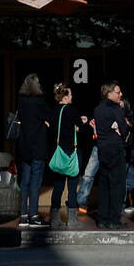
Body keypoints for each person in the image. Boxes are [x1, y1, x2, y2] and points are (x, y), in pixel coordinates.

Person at [14, 73, 52, 227]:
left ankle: (23, 215)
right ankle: (34, 215)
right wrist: (45, 124)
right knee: (36, 182)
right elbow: (50, 116)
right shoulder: (39, 102)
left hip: (24, 145)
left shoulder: (21, 101)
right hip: (37, 146)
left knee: (25, 180)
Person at [48, 82, 87, 228]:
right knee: (72, 187)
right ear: (64, 97)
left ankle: (54, 219)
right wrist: (82, 123)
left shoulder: (54, 111)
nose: (72, 97)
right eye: (70, 94)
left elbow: (53, 130)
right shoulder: (71, 110)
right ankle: (72, 220)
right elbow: (81, 130)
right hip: (71, 153)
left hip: (58, 154)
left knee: (57, 186)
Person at [93, 81, 130, 229]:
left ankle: (102, 218)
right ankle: (114, 219)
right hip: (115, 149)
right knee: (117, 185)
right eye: (118, 92)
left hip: (102, 149)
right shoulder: (115, 109)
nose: (121, 94)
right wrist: (123, 127)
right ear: (109, 94)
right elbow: (124, 129)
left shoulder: (98, 109)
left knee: (104, 184)